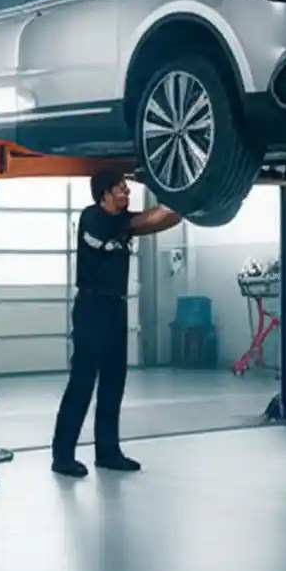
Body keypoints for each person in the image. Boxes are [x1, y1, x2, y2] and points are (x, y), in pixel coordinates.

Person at [51, 169, 182, 478]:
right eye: (121, 189)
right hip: (91, 308)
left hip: (115, 308)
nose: (127, 193)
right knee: (82, 383)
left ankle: (108, 452)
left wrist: (184, 199)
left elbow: (163, 219)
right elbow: (144, 221)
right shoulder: (93, 217)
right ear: (104, 195)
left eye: (127, 188)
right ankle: (63, 456)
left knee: (113, 382)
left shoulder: (122, 221)